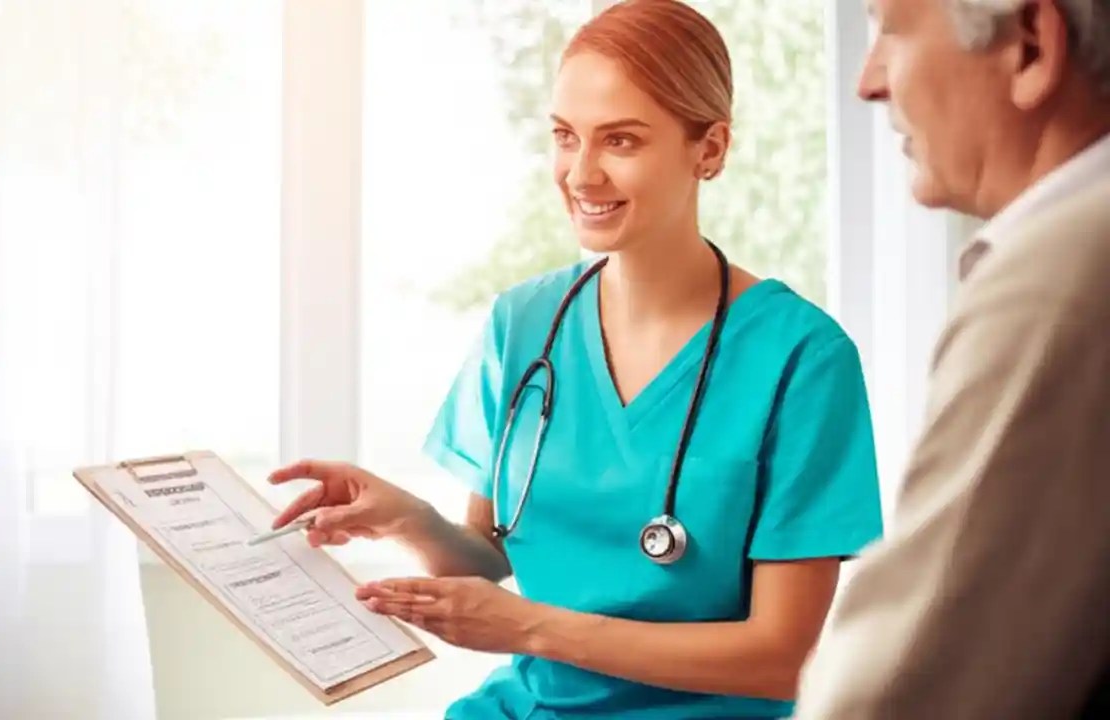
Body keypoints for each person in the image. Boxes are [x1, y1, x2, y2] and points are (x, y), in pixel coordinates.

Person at [268, 1, 882, 717]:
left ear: (709, 149)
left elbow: (785, 659)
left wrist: (532, 628)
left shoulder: (801, 358)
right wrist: (408, 521)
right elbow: (491, 551)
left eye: (620, 141)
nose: (581, 175)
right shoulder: (523, 324)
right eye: (566, 137)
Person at [792, 0, 1110, 718]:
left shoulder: (1064, 279)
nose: (867, 83)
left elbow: (894, 693)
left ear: (1029, 46)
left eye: (892, 31)